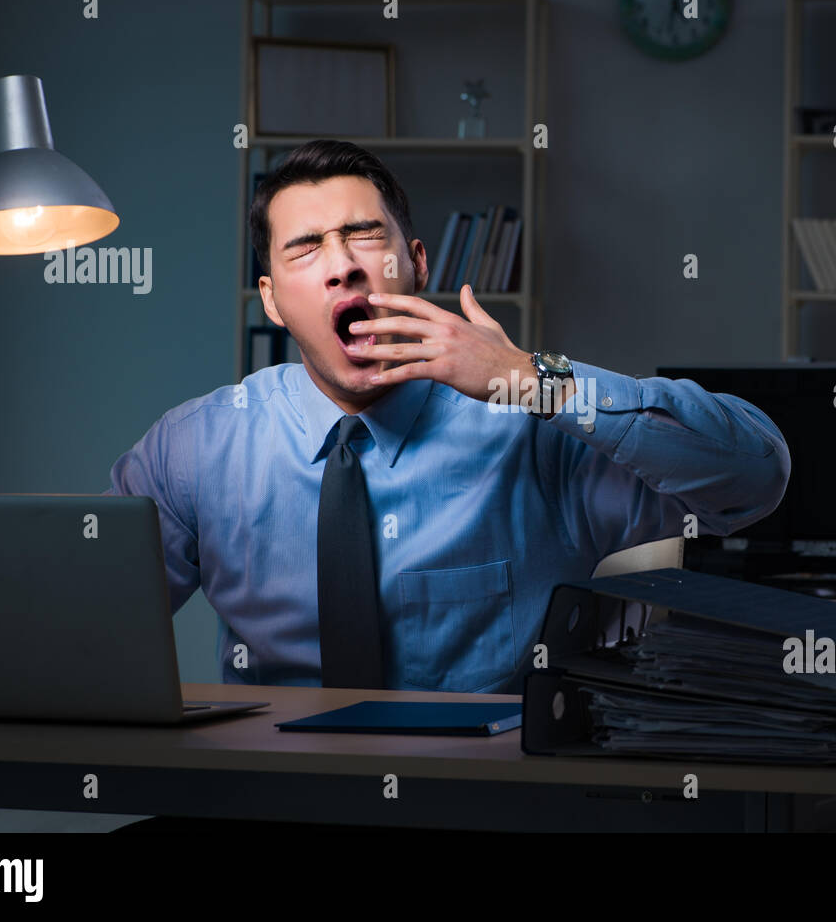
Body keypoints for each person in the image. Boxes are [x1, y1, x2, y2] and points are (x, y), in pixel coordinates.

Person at [106, 139, 790, 830]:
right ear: (273, 300)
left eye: (365, 236)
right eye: (305, 248)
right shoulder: (200, 447)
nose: (342, 265)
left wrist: (533, 378)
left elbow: (755, 477)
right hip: (271, 806)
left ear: (418, 265)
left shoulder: (531, 429)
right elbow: (89, 627)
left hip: (481, 814)